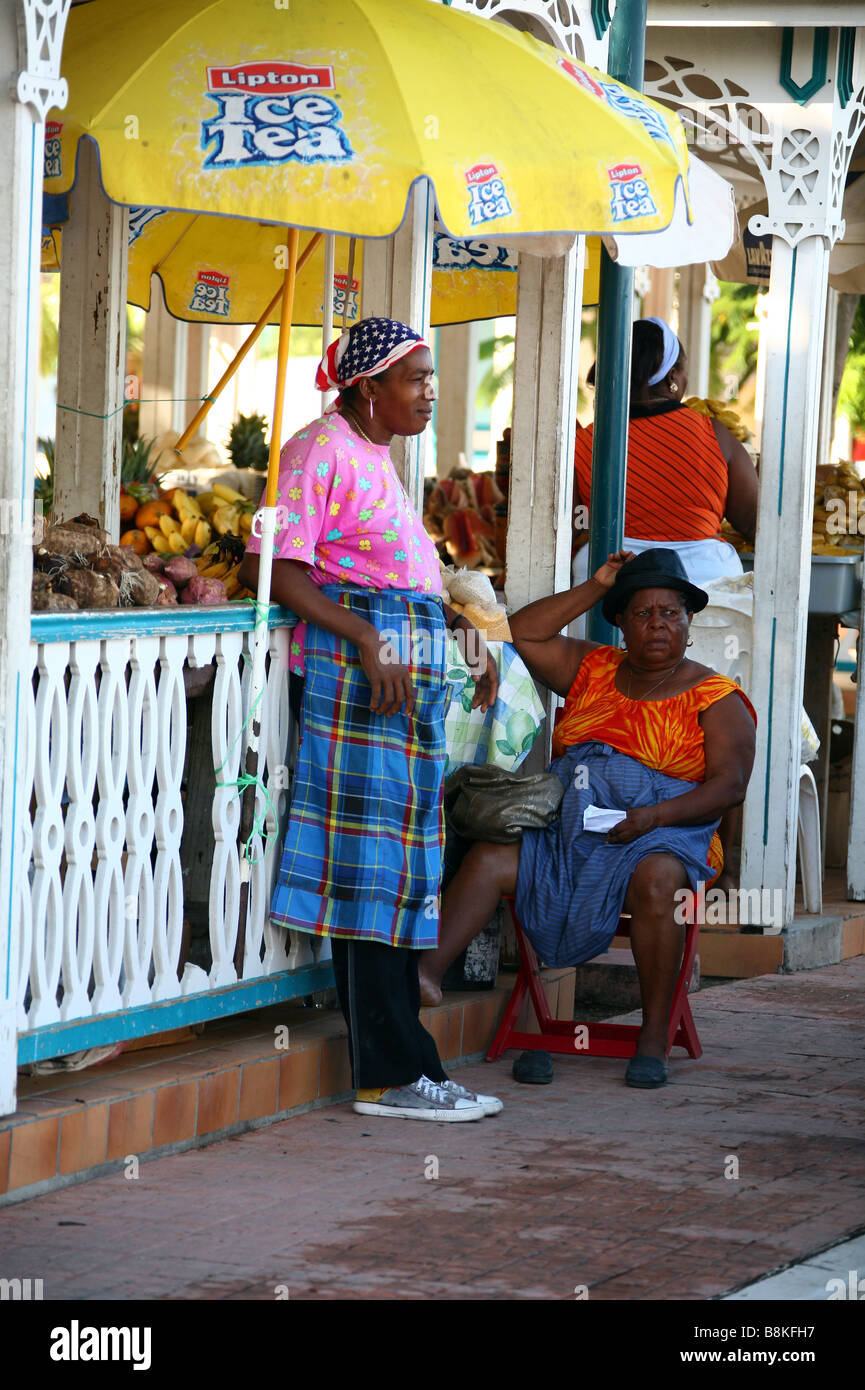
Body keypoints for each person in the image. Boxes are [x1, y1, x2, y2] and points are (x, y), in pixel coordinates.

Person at [237, 316, 502, 1122]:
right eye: (414, 379)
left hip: (399, 675)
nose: (427, 392)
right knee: (373, 877)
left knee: (394, 875)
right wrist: (362, 635)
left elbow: (400, 570)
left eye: (428, 378)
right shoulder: (317, 451)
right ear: (365, 388)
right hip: (362, 681)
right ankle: (392, 1075)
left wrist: (460, 629)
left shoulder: (375, 457)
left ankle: (405, 1067)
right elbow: (272, 567)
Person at [418, 548, 757, 1090]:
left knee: (659, 881)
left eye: (670, 613)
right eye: (642, 613)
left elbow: (729, 786)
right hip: (573, 831)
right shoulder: (593, 667)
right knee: (491, 858)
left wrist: (650, 818)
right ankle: (426, 976)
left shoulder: (716, 698)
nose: (657, 625)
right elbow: (522, 635)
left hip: (667, 835)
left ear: (689, 621)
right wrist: (598, 585)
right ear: (620, 622)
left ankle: (652, 1037)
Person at [572, 317, 759, 592]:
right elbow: (755, 523)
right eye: (684, 371)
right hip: (703, 587)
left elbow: (571, 526)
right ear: (672, 376)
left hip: (607, 587)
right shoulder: (715, 434)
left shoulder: (587, 441)